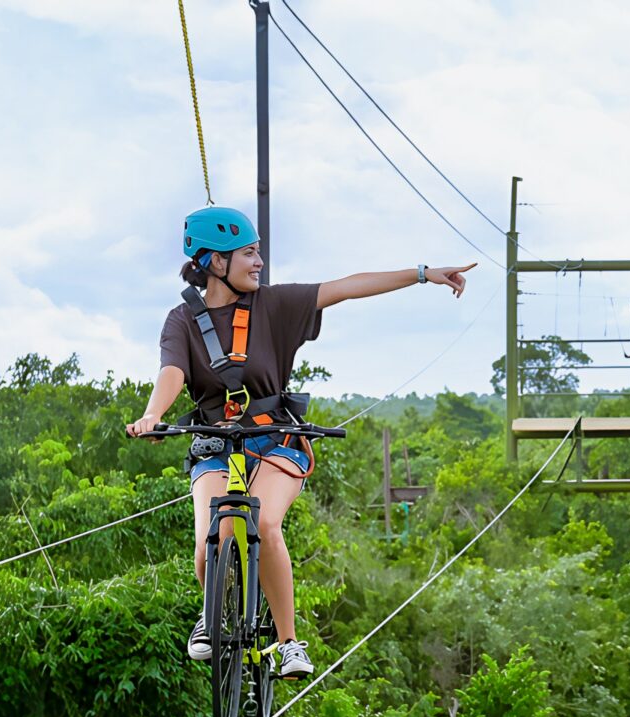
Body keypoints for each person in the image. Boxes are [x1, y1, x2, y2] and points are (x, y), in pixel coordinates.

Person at [125, 205, 473, 678]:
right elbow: (172, 371)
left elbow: (346, 287)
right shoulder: (183, 319)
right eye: (248, 253)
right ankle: (211, 618)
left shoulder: (275, 305)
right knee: (212, 538)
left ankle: (288, 642)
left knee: (265, 522)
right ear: (215, 262)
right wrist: (153, 415)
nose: (259, 262)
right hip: (215, 443)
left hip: (275, 440)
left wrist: (423, 274)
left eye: (259, 252)